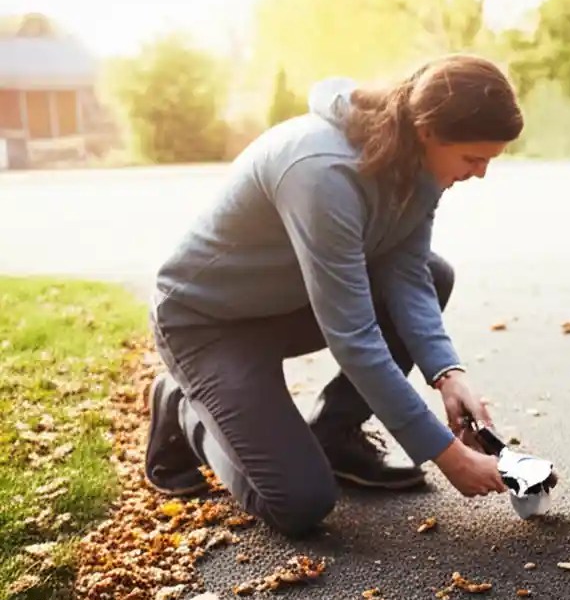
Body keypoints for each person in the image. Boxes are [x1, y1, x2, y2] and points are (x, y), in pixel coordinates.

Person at [144, 54, 521, 536]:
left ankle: (335, 435)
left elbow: (407, 272)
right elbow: (355, 338)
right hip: (208, 324)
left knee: (433, 273)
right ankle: (181, 404)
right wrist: (447, 455)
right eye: (474, 158)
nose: (481, 173)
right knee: (298, 502)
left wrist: (449, 374)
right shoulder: (322, 171)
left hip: (286, 302)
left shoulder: (420, 163)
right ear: (428, 130)